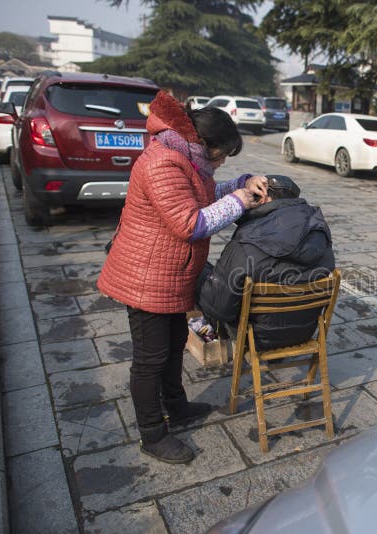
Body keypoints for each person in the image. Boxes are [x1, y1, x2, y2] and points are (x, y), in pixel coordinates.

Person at [97, 90, 268, 464]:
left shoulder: (189, 161)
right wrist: (239, 200)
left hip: (170, 274)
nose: (221, 163)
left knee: (175, 342)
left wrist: (243, 182)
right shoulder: (163, 164)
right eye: (223, 155)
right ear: (205, 144)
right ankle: (152, 434)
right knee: (150, 358)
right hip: (145, 277)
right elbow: (190, 222)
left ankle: (177, 406)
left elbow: (205, 193)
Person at [197, 175, 335, 351]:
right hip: (303, 332)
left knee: (198, 272)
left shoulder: (247, 243)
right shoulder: (320, 233)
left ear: (263, 198)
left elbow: (219, 309)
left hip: (256, 337)